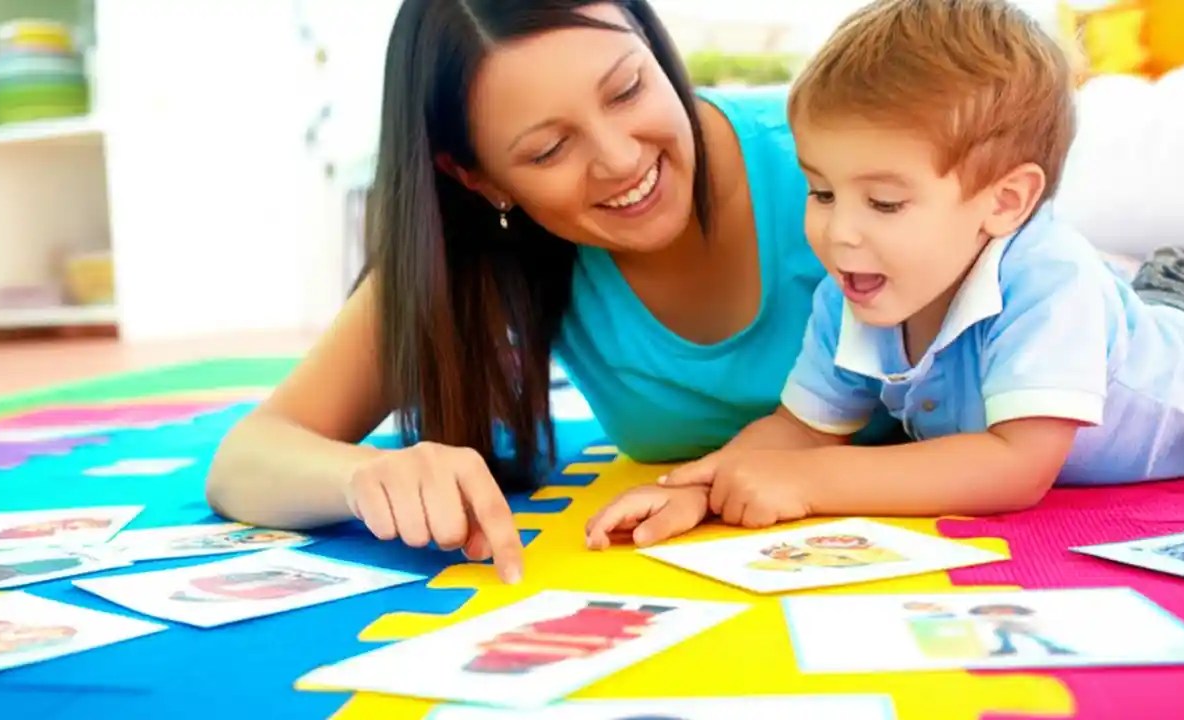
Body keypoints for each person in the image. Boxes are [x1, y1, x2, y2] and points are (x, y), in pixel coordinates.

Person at [206, 0, 896, 584]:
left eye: (627, 90)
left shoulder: (836, 160)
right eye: (547, 151)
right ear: (477, 178)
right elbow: (248, 458)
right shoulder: (492, 250)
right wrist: (365, 477)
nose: (621, 158)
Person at [601, 0, 1184, 536]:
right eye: (822, 192)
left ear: (1004, 202)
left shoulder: (1048, 279)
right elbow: (800, 429)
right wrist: (702, 490)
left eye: (884, 203)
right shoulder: (855, 292)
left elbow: (1016, 466)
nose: (838, 233)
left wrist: (810, 483)